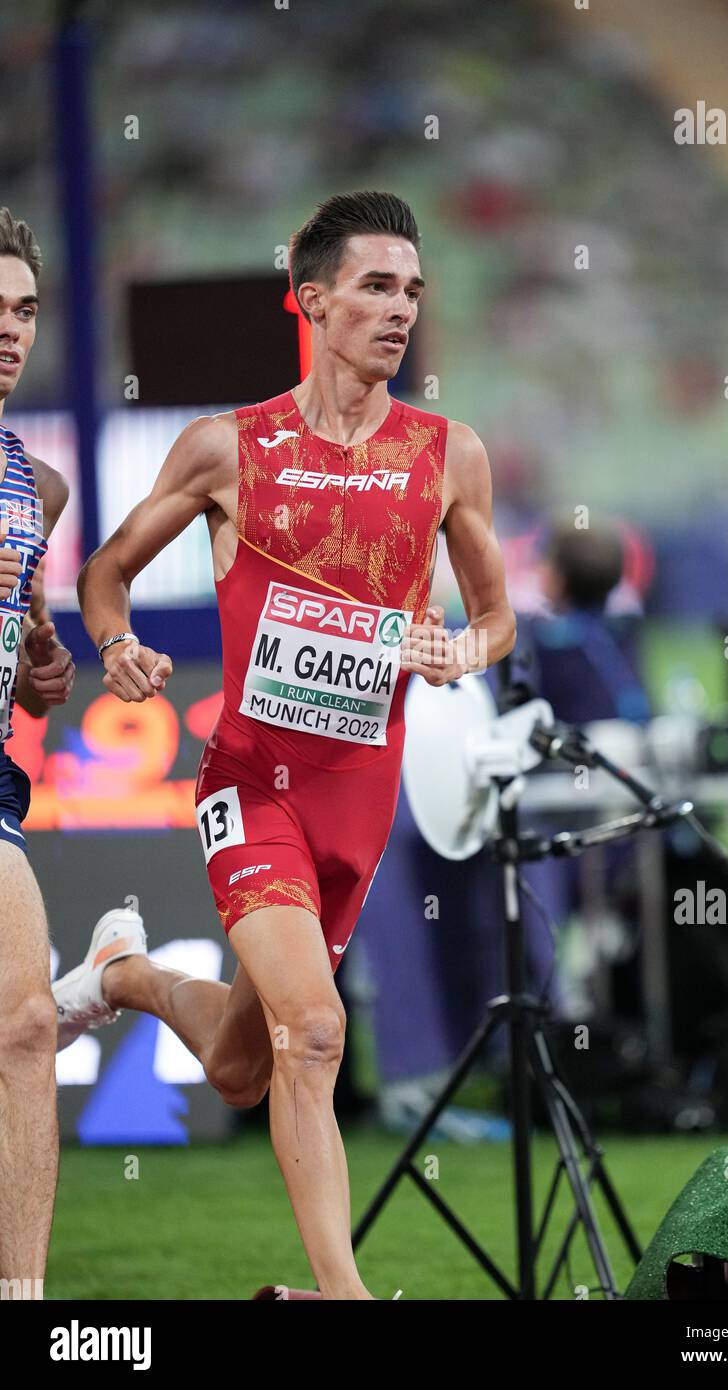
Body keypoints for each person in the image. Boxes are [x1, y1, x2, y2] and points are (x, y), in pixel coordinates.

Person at [54, 191, 516, 1299]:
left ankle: (125, 973)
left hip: (362, 805)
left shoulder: (449, 454)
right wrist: (115, 646)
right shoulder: (229, 446)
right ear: (310, 300)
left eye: (410, 289)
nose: (398, 309)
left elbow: (497, 618)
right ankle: (341, 1296)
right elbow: (104, 571)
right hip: (253, 788)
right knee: (315, 1033)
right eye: (373, 285)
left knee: (240, 1064)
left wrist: (458, 651)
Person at [0, 207, 76, 1296]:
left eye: (22, 310)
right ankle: (107, 987)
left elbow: (26, 641)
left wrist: (37, 663)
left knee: (23, 1022)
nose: (9, 330)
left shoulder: (35, 485)